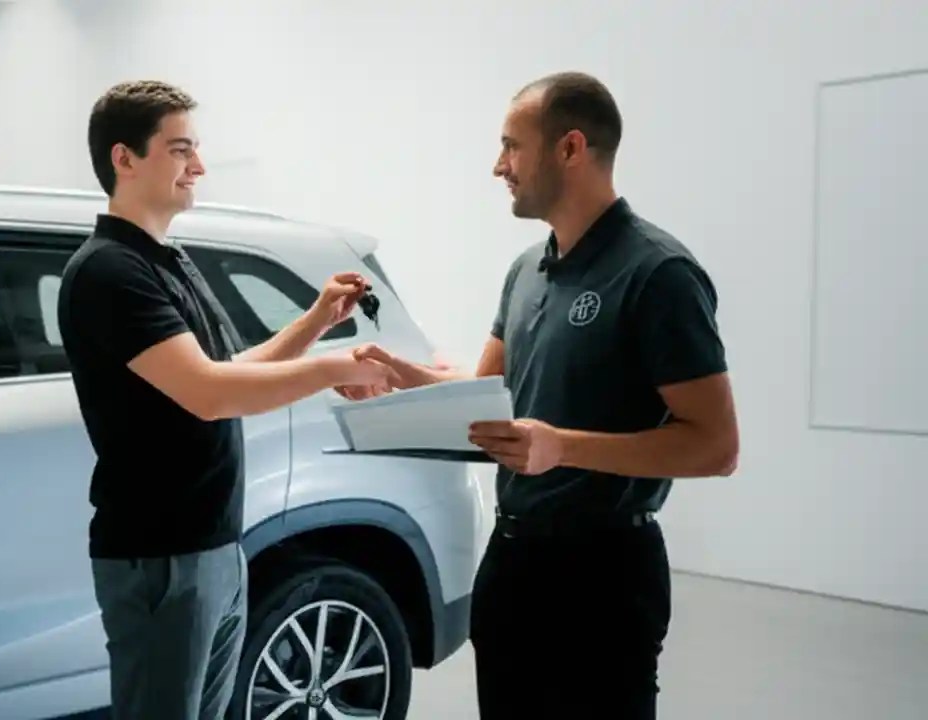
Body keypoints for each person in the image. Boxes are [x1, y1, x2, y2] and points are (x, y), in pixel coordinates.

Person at [353, 71, 740, 718]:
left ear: (570, 149)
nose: (497, 165)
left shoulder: (659, 274)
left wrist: (560, 447)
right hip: (513, 561)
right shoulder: (526, 269)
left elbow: (715, 445)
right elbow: (493, 395)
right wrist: (404, 377)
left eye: (511, 146)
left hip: (606, 572)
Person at [55, 80, 395, 720]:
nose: (200, 167)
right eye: (181, 150)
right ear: (123, 158)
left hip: (213, 545)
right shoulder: (108, 271)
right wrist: (331, 371)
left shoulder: (167, 260)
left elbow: (225, 373)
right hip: (160, 556)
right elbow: (208, 396)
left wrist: (318, 321)